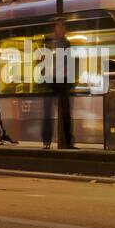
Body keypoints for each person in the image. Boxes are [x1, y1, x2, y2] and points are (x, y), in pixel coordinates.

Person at [41, 20, 75, 149]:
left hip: (64, 81)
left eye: (63, 27)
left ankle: (68, 141)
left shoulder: (66, 43)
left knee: (66, 113)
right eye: (60, 27)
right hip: (51, 81)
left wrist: (71, 80)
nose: (63, 30)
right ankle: (46, 141)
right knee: (48, 114)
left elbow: (71, 62)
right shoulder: (48, 43)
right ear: (55, 28)